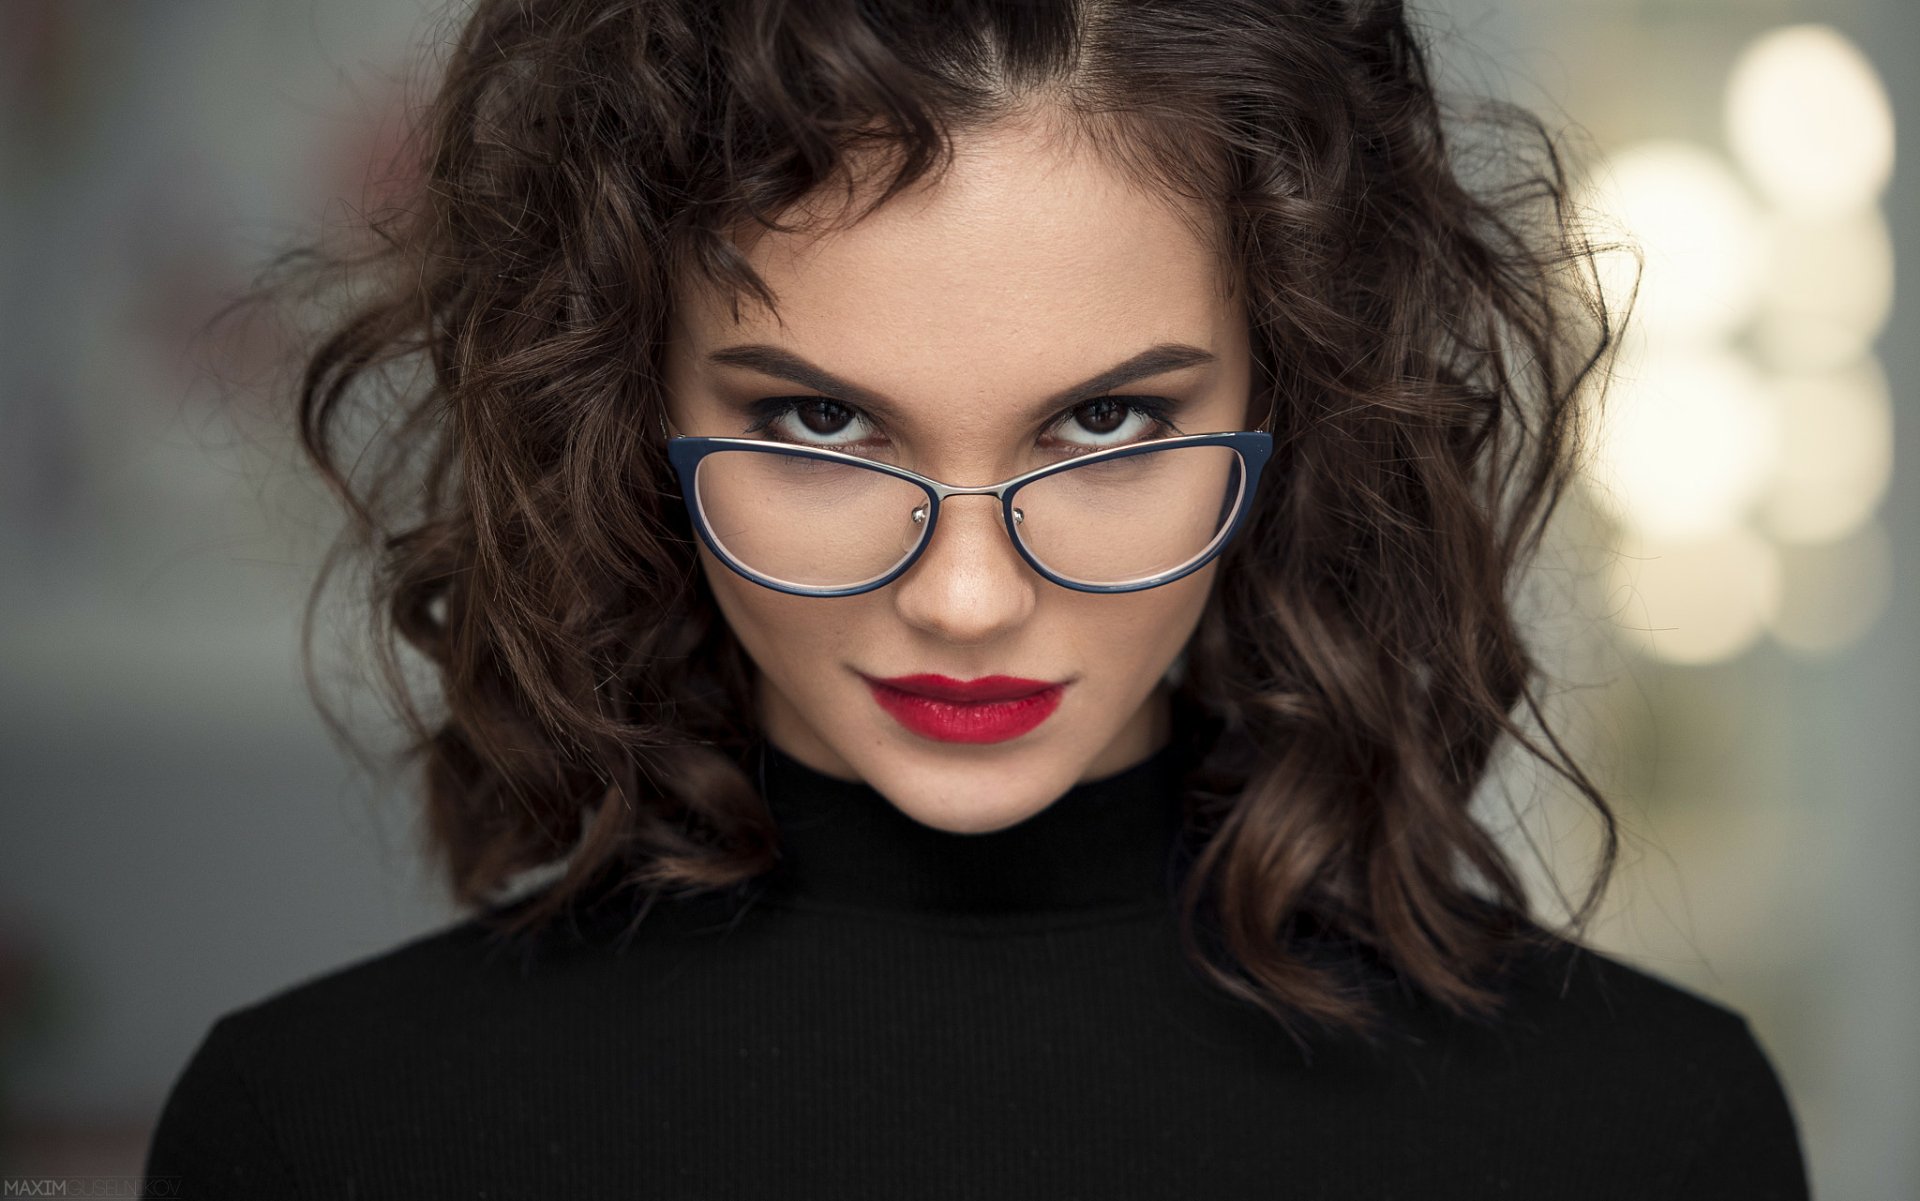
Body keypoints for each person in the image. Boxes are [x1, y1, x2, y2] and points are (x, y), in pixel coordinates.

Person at [144, 0, 1811, 1196]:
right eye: (819, 421)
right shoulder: (320, 1134)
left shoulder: (1649, 1135)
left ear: (1291, 402)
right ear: (622, 409)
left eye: (1110, 421)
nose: (962, 596)